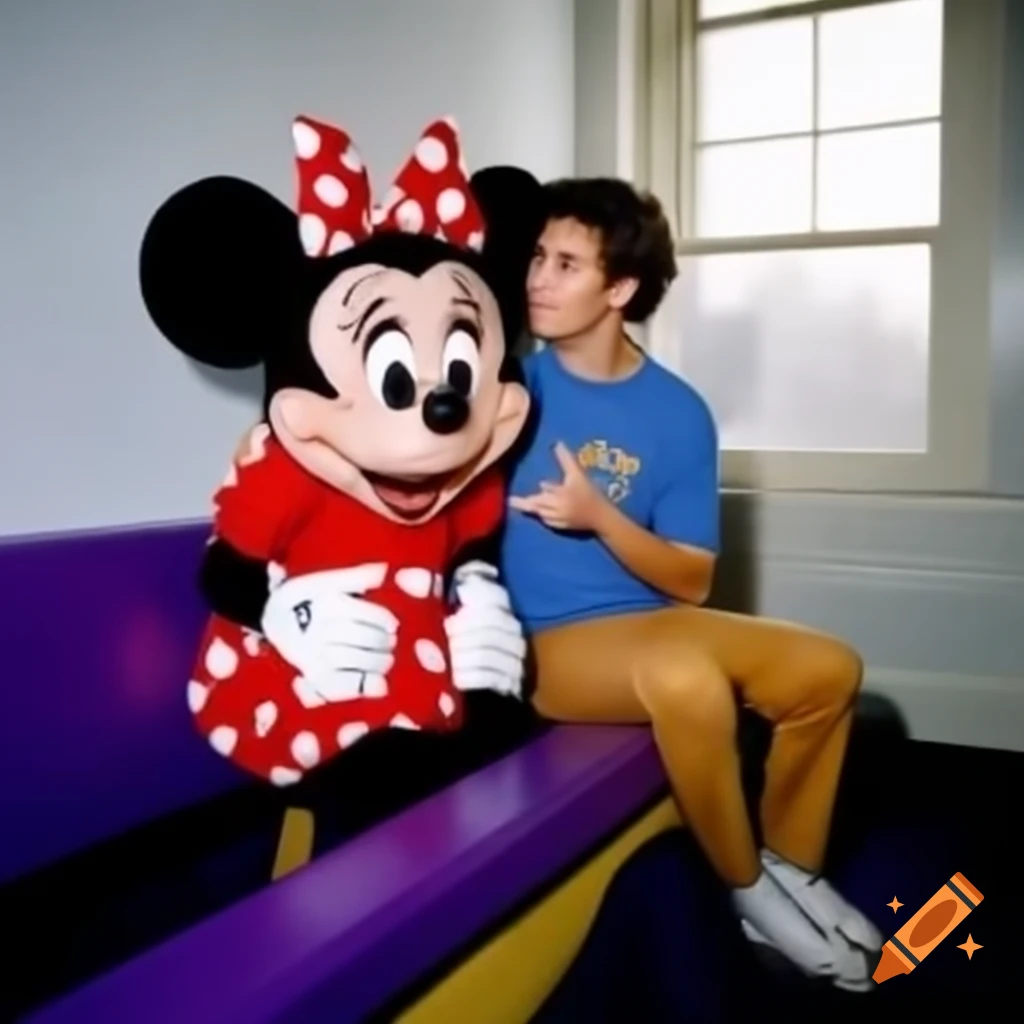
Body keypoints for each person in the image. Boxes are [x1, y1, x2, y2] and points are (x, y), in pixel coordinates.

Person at [500, 176, 883, 991]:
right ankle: (744, 889)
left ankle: (793, 868)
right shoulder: (509, 392)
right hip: (549, 647)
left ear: (621, 288)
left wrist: (600, 517)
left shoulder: (678, 412)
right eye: (538, 256)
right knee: (688, 679)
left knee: (830, 670)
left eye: (567, 263)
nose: (538, 277)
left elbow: (693, 581)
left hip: (651, 623)